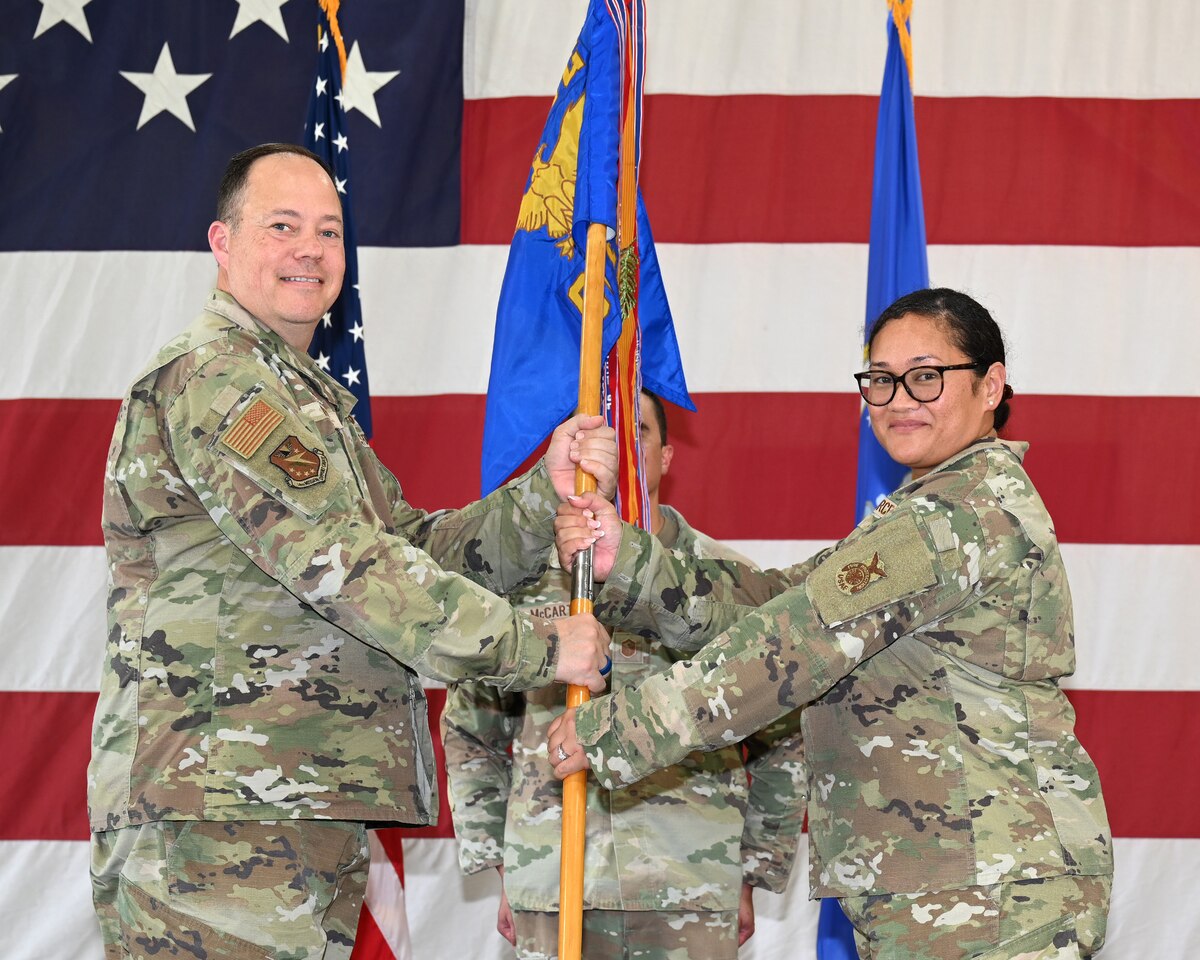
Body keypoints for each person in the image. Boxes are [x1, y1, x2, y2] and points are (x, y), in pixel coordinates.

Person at [88, 142, 616, 960]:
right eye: (282, 226)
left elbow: (408, 547)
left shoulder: (300, 397)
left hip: (281, 805)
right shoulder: (220, 381)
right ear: (223, 242)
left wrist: (539, 499)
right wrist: (537, 648)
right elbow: (348, 568)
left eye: (329, 232)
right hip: (216, 818)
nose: (310, 249)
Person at [548, 289, 1113, 959]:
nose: (899, 399)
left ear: (990, 385)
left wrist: (615, 731)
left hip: (986, 896)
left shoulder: (951, 518)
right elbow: (780, 600)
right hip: (957, 885)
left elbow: (790, 645)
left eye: (926, 376)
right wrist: (631, 565)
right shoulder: (939, 504)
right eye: (881, 379)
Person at [441, 389, 808, 960]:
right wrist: (504, 861)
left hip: (688, 881)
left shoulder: (727, 580)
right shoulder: (523, 583)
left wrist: (753, 868)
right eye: (599, 433)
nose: (615, 447)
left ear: (667, 456)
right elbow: (472, 727)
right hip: (554, 879)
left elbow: (781, 731)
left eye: (638, 431)